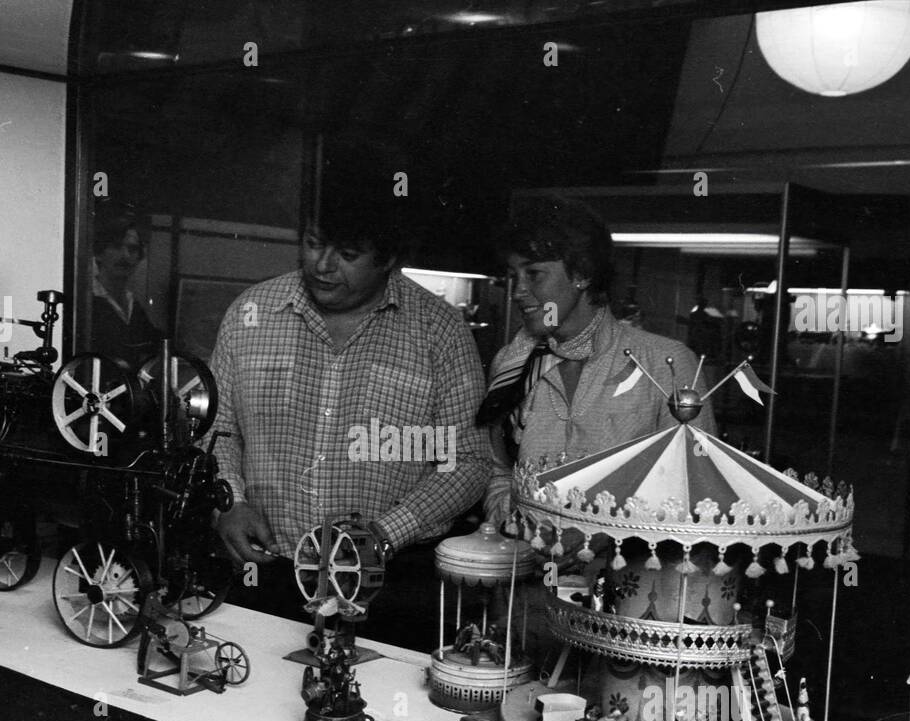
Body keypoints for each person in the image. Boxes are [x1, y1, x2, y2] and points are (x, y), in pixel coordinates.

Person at [209, 168, 491, 650]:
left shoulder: (439, 333)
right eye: (315, 243)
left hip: (388, 584)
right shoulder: (251, 313)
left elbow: (466, 463)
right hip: (266, 570)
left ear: (392, 260)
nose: (322, 265)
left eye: (348, 254)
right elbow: (219, 429)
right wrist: (230, 500)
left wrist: (384, 533)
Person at [480, 196, 717, 525]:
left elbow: (697, 488)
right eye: (512, 276)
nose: (517, 291)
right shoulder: (510, 364)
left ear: (582, 275)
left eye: (534, 275)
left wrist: (601, 535)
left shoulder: (667, 363)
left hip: (624, 571)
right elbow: (498, 472)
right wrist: (513, 517)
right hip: (526, 568)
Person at [87, 205, 165, 371]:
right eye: (116, 246)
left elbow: (154, 343)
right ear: (99, 253)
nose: (125, 256)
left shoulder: (133, 305)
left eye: (133, 249)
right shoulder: (86, 301)